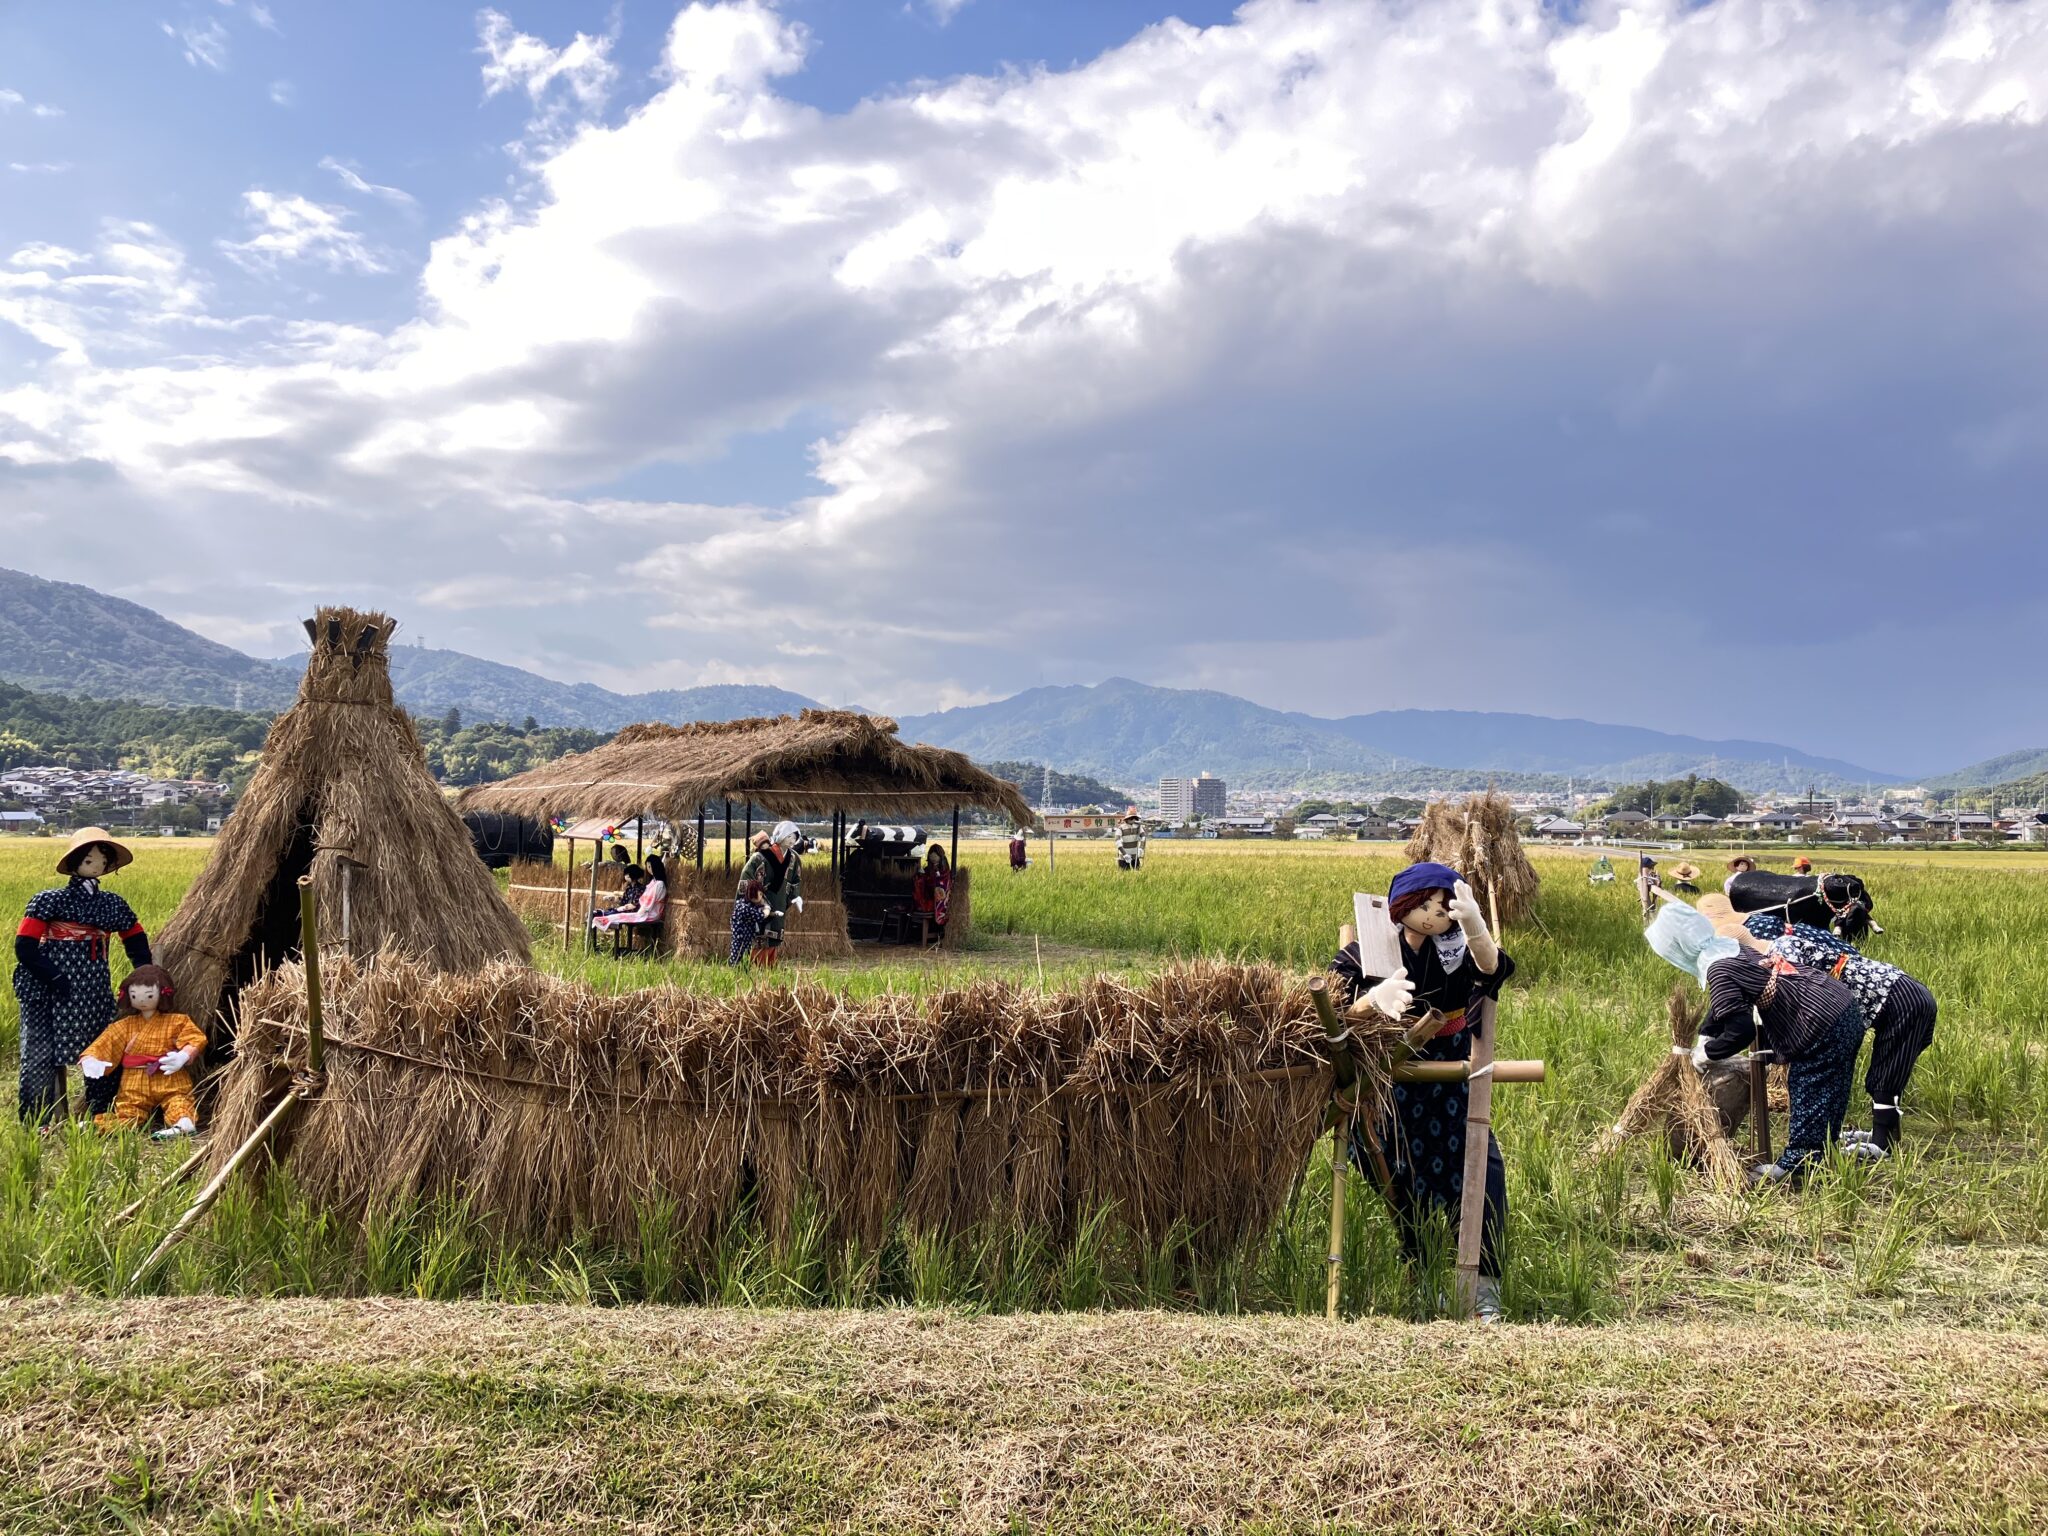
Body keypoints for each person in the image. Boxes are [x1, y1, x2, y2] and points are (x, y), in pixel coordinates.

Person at [1331, 861, 1513, 1321]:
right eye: (1427, 905)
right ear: (1404, 905)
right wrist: (1371, 1003)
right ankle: (1424, 1270)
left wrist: (1474, 927)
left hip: (1450, 1073)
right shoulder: (1366, 949)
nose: (1435, 916)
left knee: (1478, 1167)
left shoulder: (1456, 947)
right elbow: (1328, 1015)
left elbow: (1494, 971)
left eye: (1444, 908)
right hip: (1388, 1079)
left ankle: (1481, 1287)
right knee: (1396, 1170)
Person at [1719, 900, 1935, 1156]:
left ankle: (1882, 1142)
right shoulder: (1776, 951)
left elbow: (1798, 1001)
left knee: (1887, 1073)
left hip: (1901, 997)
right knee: (1883, 1071)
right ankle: (1882, 1132)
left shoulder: (1782, 954)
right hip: (1890, 992)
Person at [13, 828, 153, 1126]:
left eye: (102, 859)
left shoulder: (113, 905)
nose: (96, 864)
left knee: (102, 1049)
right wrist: (56, 978)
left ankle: (97, 1115)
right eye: (89, 858)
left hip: (93, 989)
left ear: (108, 865)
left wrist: (143, 975)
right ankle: (38, 1122)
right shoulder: (48, 901)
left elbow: (136, 940)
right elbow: (25, 947)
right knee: (40, 1053)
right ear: (75, 861)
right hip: (46, 989)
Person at [1696, 946, 1864, 1186]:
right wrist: (1707, 1032)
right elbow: (1727, 1002)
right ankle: (1824, 1147)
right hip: (1840, 1004)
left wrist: (1707, 1053)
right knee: (1831, 1086)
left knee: (1810, 1087)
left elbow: (1740, 1032)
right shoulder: (1734, 952)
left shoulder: (1718, 968)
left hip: (1819, 1019)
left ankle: (1798, 1167)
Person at [78, 964, 206, 1138]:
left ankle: (183, 1123)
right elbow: (105, 1043)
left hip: (167, 1074)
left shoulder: (177, 1021)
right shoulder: (124, 1026)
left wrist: (183, 1055)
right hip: (134, 1080)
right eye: (134, 996)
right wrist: (91, 1059)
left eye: (149, 995)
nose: (142, 1001)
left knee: (177, 1099)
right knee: (128, 1112)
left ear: (162, 994)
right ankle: (98, 1126)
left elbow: (194, 1037)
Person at [739, 822, 804, 967]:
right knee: (759, 933)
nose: (792, 840)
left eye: (794, 837)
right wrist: (752, 899)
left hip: (780, 900)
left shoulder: (793, 858)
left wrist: (796, 896)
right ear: (780, 835)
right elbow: (746, 875)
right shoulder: (760, 857)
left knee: (774, 932)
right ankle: (754, 967)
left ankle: (770, 967)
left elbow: (795, 880)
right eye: (788, 836)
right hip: (761, 901)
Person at [592, 854, 667, 948]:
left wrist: (639, 911)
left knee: (618, 916)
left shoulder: (659, 884)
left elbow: (648, 902)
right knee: (615, 914)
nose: (648, 869)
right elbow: (630, 900)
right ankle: (601, 916)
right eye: (647, 866)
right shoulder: (653, 883)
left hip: (651, 913)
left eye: (650, 866)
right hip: (643, 910)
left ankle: (602, 918)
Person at [913, 843, 952, 943]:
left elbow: (945, 882)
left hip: (939, 898)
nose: (933, 859)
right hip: (928, 897)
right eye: (931, 857)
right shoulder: (927, 869)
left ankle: (938, 930)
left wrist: (936, 880)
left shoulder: (945, 870)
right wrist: (921, 876)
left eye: (935, 857)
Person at [728, 878, 769, 965]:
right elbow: (761, 916)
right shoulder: (746, 909)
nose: (761, 897)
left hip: (742, 939)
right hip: (742, 941)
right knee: (739, 963)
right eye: (760, 894)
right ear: (753, 893)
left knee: (743, 962)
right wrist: (767, 908)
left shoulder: (741, 903)